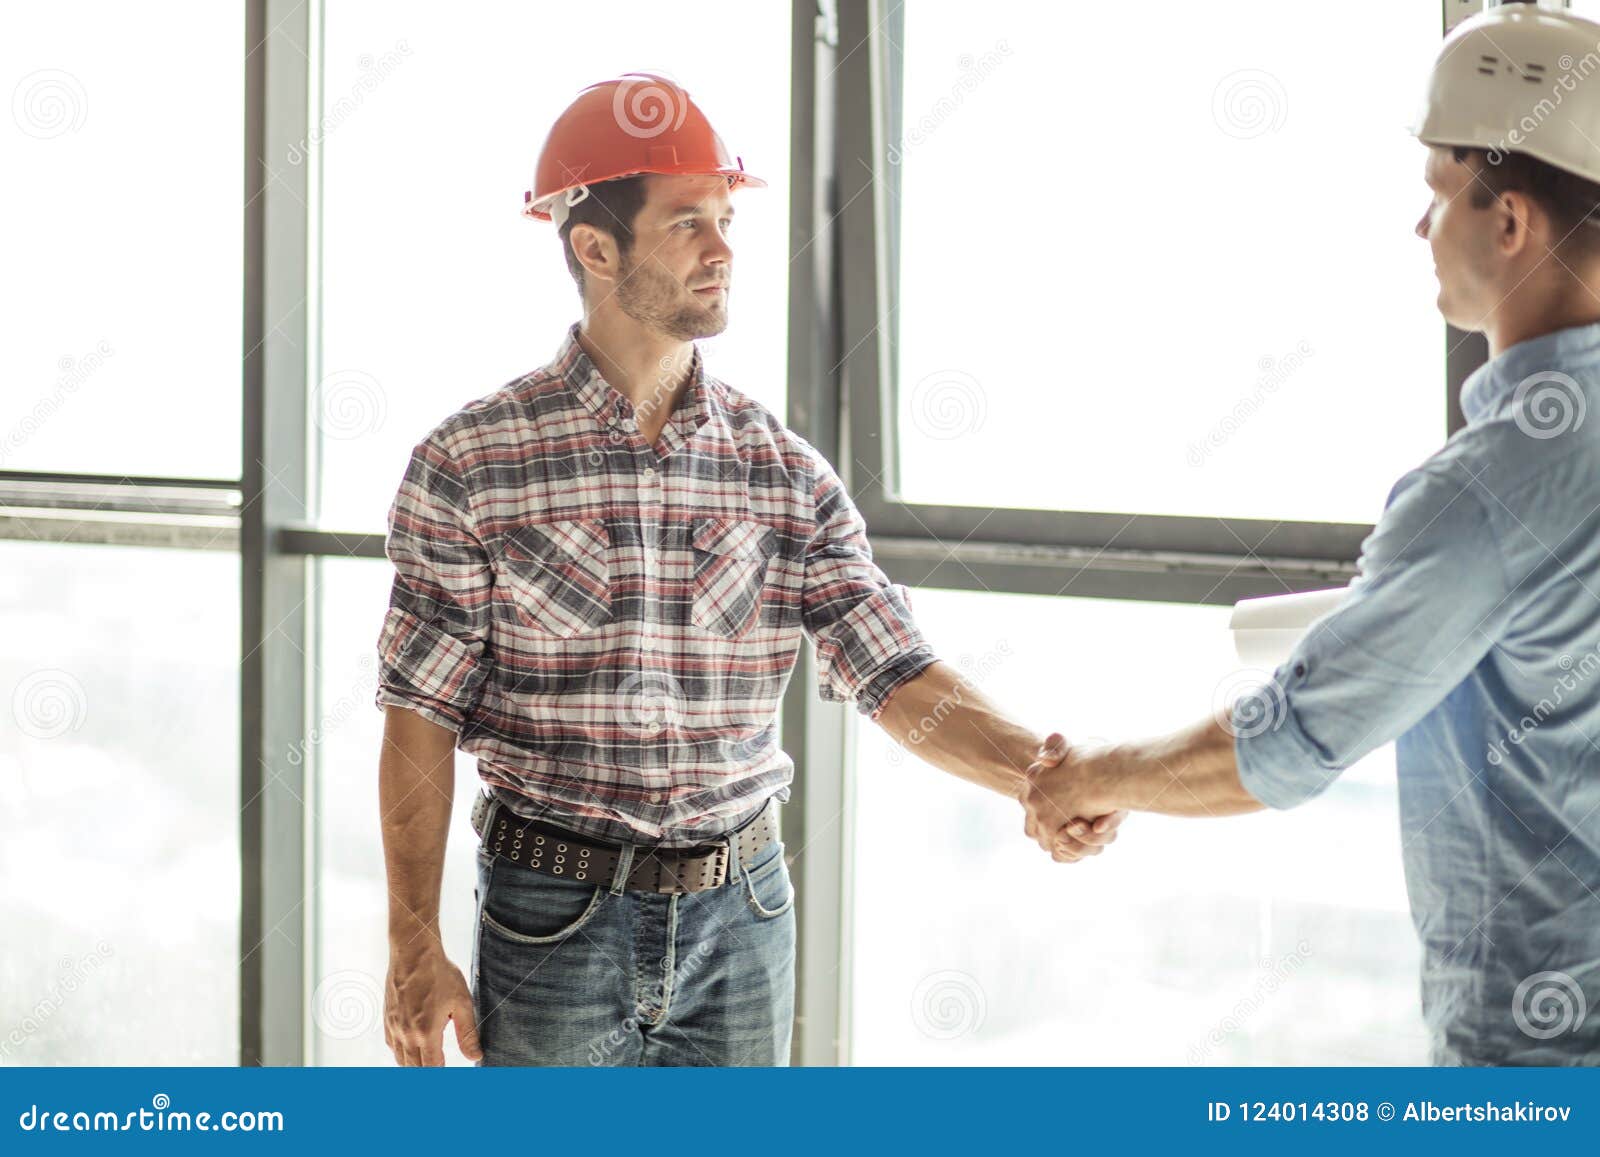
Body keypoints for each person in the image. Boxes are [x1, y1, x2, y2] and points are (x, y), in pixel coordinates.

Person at [375, 72, 1122, 1067]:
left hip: (744, 910)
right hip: (551, 917)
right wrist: (412, 943)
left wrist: (1036, 773)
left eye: (725, 219)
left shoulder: (781, 472)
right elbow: (418, 711)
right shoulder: (469, 464)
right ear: (593, 247)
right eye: (688, 223)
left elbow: (894, 671)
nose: (723, 248)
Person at [1021, 4, 1600, 1065]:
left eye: (1436, 195)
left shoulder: (1483, 490)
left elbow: (1282, 747)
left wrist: (1085, 777)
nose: (1419, 229)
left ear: (1508, 222)